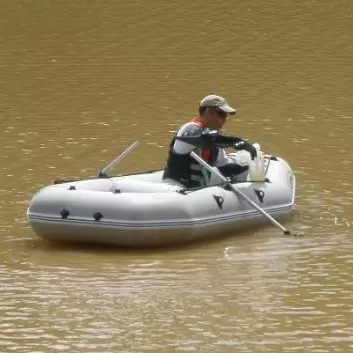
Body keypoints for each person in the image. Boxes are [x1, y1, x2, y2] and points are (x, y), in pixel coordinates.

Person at [163, 94, 257, 188]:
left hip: (195, 191)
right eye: (222, 114)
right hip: (174, 187)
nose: (224, 120)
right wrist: (236, 142)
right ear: (209, 111)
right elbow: (206, 138)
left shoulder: (216, 142)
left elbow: (223, 166)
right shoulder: (190, 129)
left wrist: (245, 166)